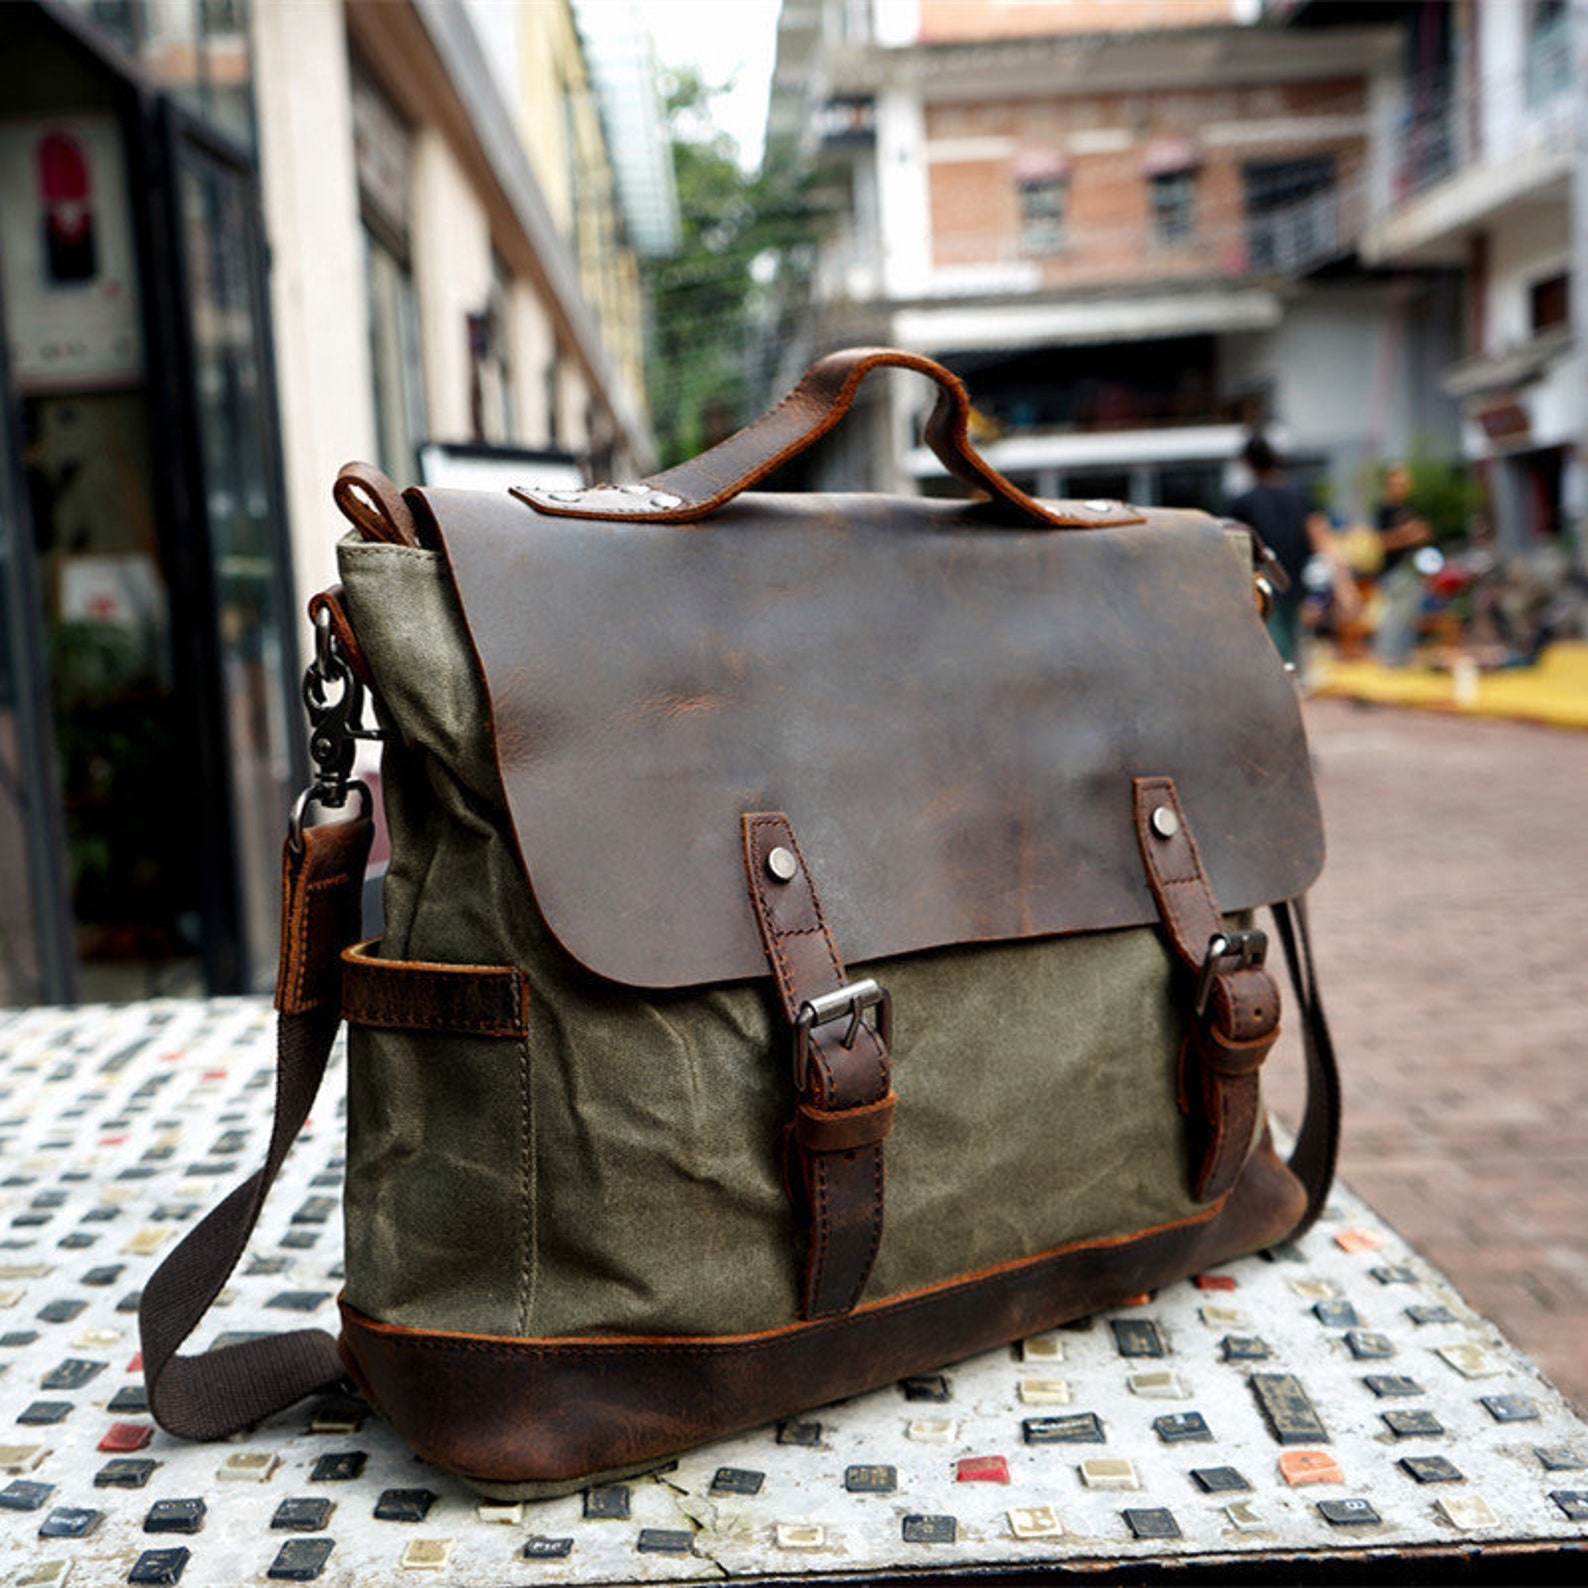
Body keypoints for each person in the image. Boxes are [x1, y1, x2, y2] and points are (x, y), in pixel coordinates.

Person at [1229, 435, 1342, 669]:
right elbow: (1320, 537)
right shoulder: (1300, 494)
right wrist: (1342, 585)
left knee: (1275, 652)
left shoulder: (1243, 502)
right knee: (1296, 650)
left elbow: (1236, 549)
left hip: (1262, 586)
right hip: (1296, 582)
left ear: (1248, 463)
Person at [1371, 462, 1432, 667]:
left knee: (1410, 616)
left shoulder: (1408, 508)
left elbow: (1423, 533)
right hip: (1395, 569)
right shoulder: (1385, 510)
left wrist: (1415, 535)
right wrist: (1407, 536)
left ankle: (1403, 659)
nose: (1401, 486)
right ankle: (1387, 659)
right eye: (1397, 482)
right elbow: (1382, 542)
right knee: (1394, 617)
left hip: (1411, 568)